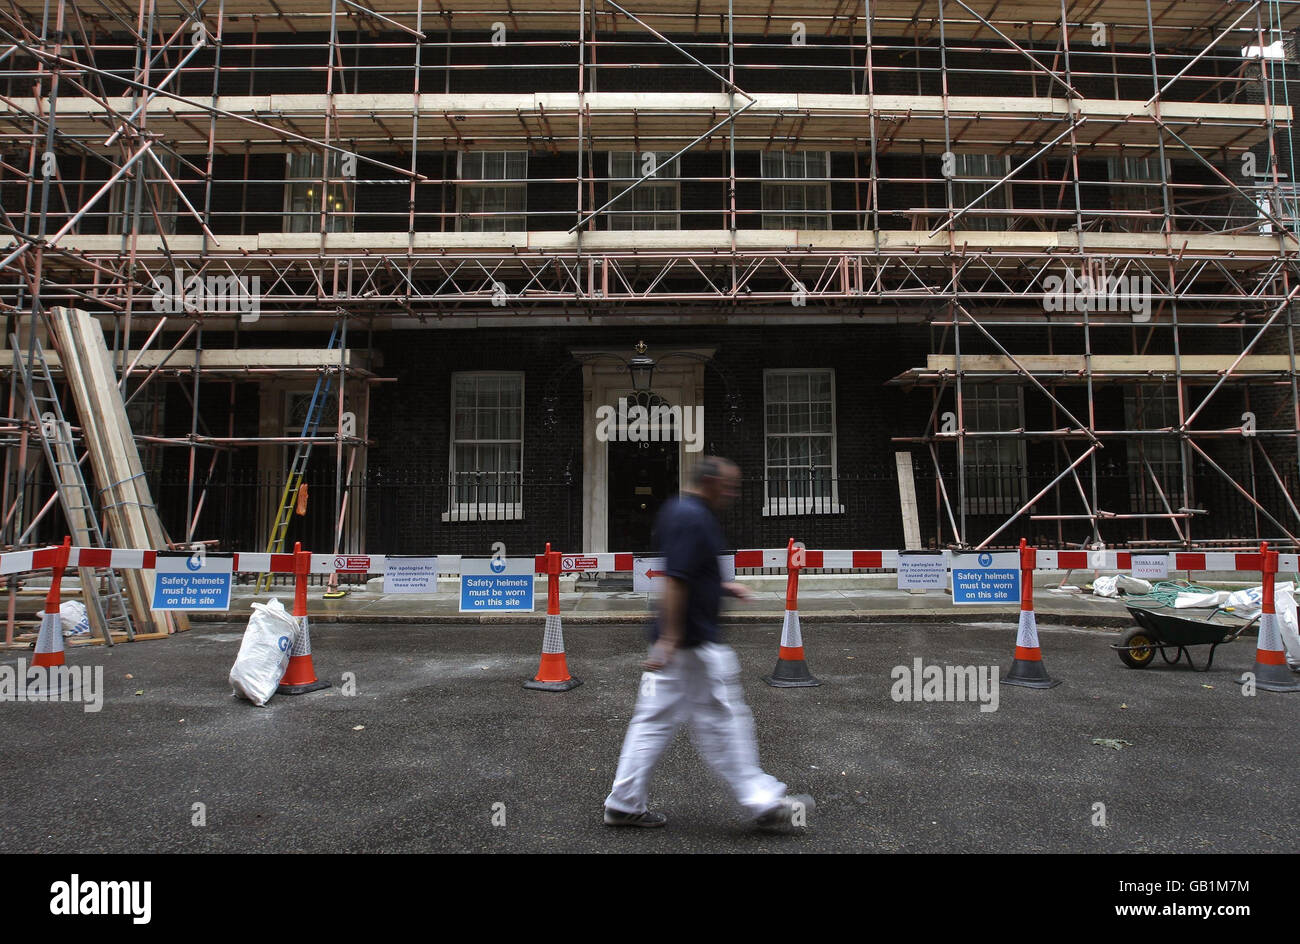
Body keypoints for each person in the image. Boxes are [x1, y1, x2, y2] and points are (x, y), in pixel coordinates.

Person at [603, 456, 814, 830]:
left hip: (682, 642)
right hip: (692, 644)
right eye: (729, 486)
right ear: (710, 482)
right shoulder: (693, 518)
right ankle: (760, 799)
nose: (733, 493)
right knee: (723, 719)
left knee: (653, 722)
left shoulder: (679, 510)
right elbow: (676, 579)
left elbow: (688, 571)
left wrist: (721, 586)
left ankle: (623, 802)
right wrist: (670, 638)